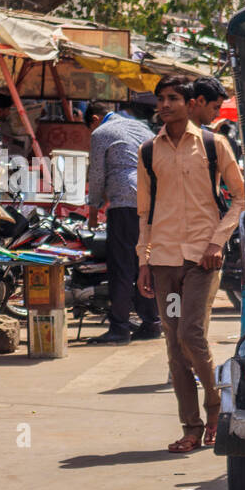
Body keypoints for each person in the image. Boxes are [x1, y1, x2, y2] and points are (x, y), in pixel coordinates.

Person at [135, 75, 245, 453]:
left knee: (190, 336)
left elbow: (240, 199)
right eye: (160, 99)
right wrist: (143, 260)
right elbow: (145, 212)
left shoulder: (215, 145)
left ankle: (215, 410)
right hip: (164, 260)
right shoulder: (149, 150)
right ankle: (191, 426)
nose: (164, 105)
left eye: (172, 99)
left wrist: (218, 242)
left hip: (202, 258)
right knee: (173, 344)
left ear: (189, 103)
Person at [86, 101, 159, 344]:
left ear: (95, 118)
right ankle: (151, 322)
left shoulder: (101, 132)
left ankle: (119, 327)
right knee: (145, 263)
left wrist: (93, 209)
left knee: (121, 267)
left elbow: (96, 174)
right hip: (153, 201)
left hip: (126, 202)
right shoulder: (142, 128)